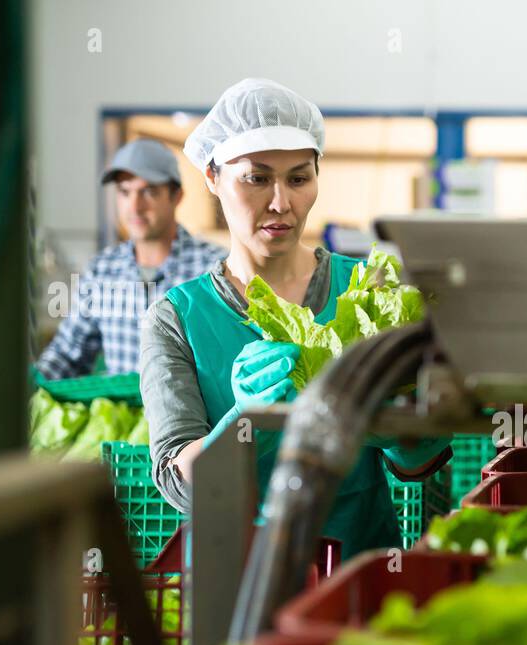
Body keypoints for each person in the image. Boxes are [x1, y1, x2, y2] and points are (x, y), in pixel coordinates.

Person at [138, 78, 449, 560]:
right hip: (235, 577)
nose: (281, 202)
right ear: (212, 178)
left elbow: (420, 464)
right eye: (256, 178)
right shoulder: (177, 317)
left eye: (299, 178)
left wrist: (399, 428)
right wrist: (245, 422)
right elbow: (180, 486)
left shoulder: (370, 291)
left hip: (357, 568)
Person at [34, 139, 224, 379]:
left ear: (176, 196)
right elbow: (67, 354)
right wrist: (32, 390)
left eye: (148, 191)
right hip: (120, 416)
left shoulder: (214, 269)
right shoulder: (101, 270)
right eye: (125, 192)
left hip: (192, 416)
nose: (135, 207)